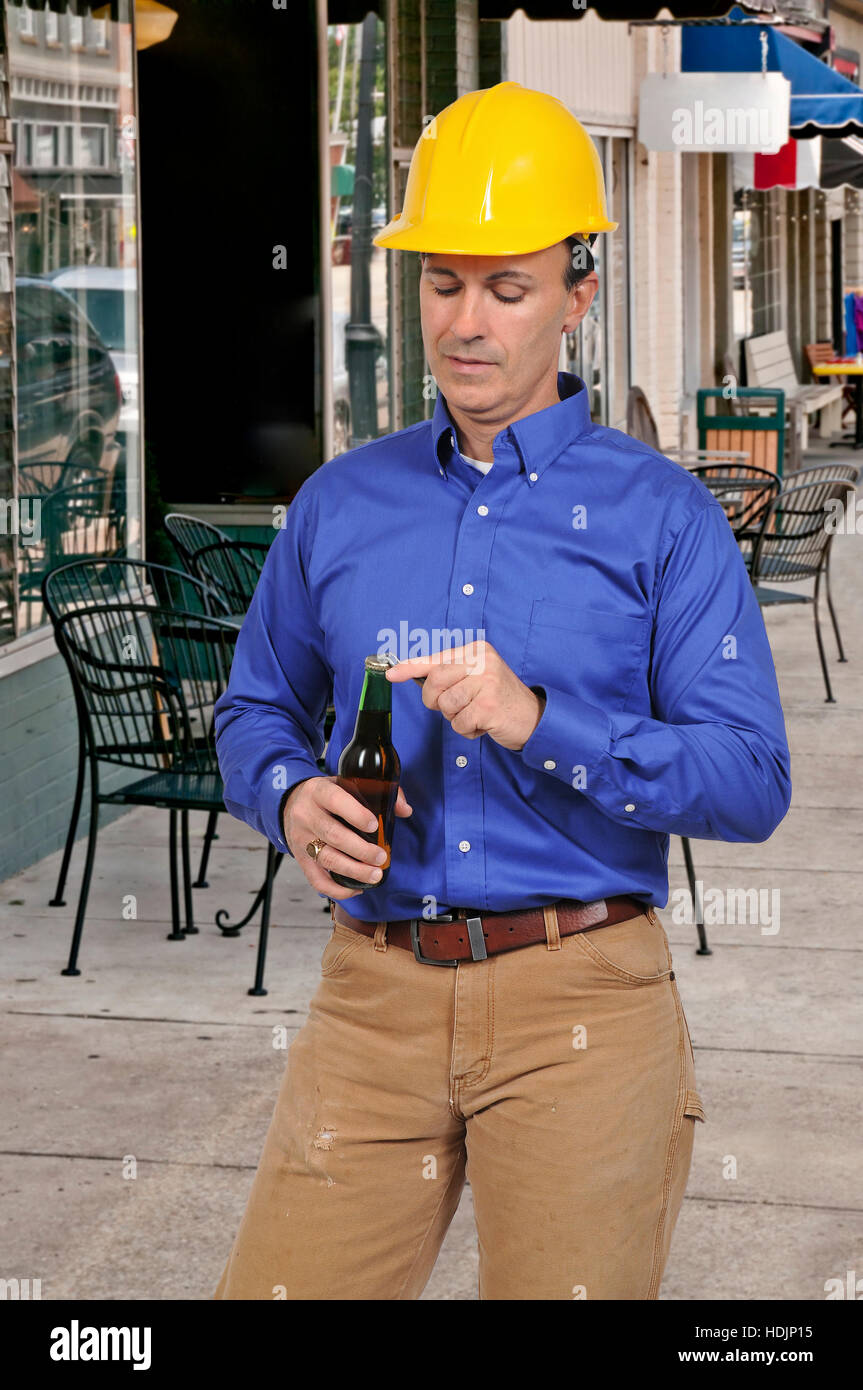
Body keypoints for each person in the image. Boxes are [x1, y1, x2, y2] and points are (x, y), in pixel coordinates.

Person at [212, 82, 791, 1301]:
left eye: (505, 287)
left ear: (577, 295)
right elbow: (255, 705)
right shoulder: (339, 503)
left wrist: (538, 722)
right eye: (440, 282)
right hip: (369, 998)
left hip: (581, 1000)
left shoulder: (662, 518)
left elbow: (747, 779)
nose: (463, 321)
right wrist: (286, 797)